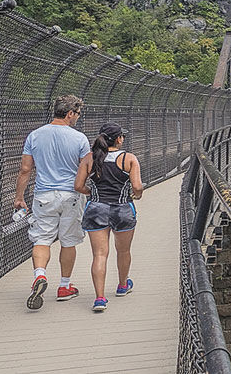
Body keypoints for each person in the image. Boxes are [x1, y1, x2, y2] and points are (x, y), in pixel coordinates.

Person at [14, 95, 90, 310]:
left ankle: (40, 275)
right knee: (68, 241)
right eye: (77, 114)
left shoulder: (35, 136)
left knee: (41, 239)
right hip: (71, 195)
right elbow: (86, 168)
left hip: (44, 195)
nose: (77, 118)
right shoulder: (80, 138)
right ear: (70, 113)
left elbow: (25, 169)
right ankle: (64, 286)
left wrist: (19, 197)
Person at [74, 123, 143, 312]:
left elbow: (78, 186)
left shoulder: (90, 158)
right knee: (123, 251)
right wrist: (137, 195)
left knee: (99, 254)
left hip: (97, 208)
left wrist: (93, 194)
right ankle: (122, 285)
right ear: (119, 139)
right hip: (122, 208)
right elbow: (137, 187)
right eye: (122, 136)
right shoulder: (129, 158)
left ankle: (99, 298)